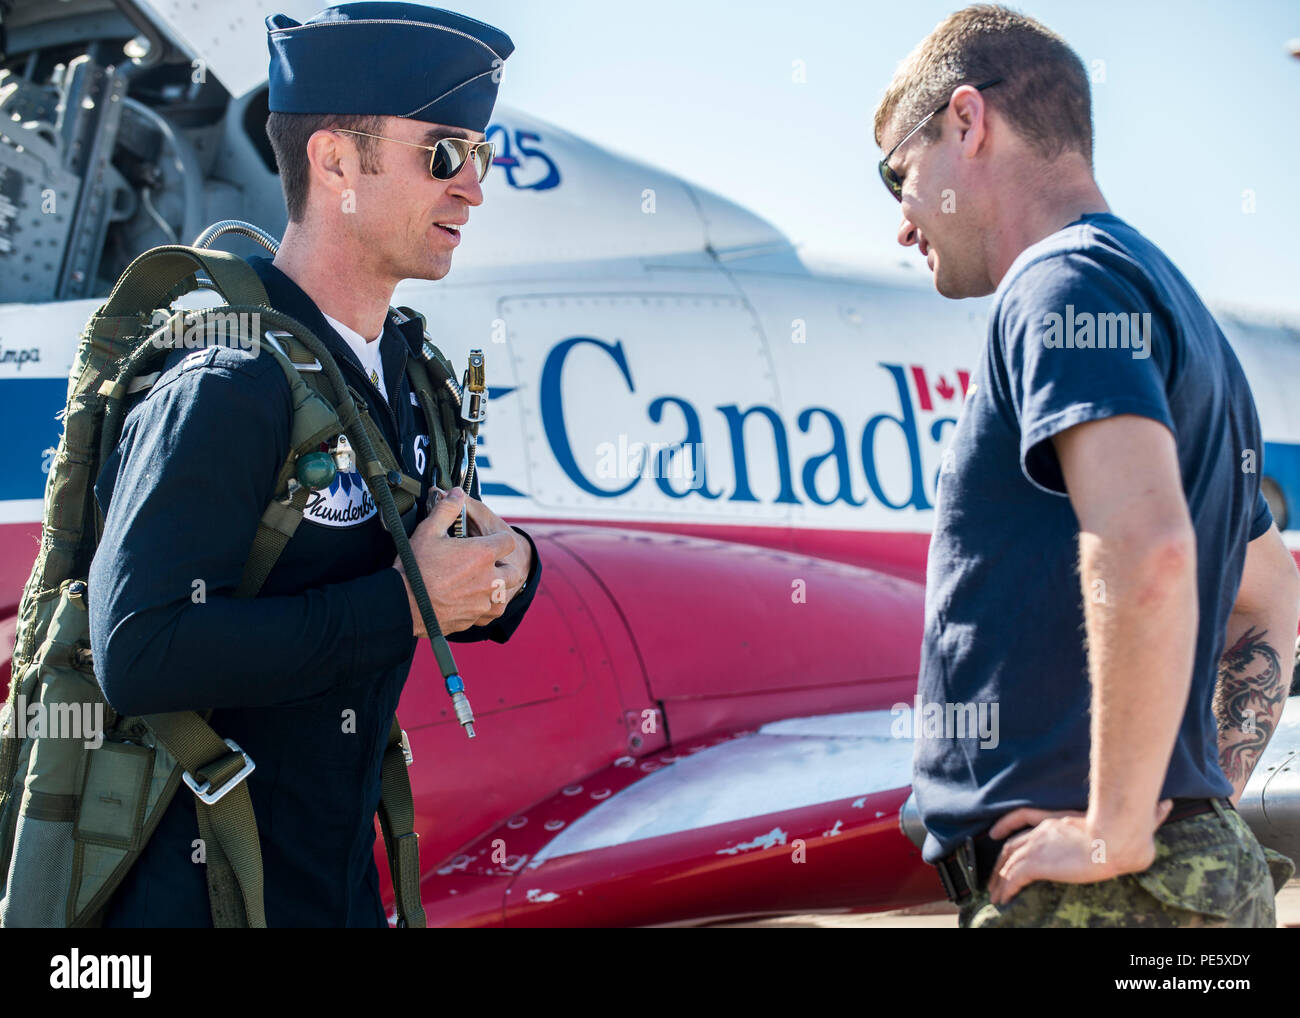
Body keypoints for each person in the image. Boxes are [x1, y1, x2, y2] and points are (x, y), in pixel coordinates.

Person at [89, 2, 538, 927]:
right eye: (444, 155)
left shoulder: (405, 377)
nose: (473, 188)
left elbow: (426, 578)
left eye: (479, 157)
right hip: (200, 903)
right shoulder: (228, 378)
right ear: (335, 162)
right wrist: (409, 607)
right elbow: (141, 653)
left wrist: (511, 571)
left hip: (331, 891)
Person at [873, 4, 1299, 927]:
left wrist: (1114, 828)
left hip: (1097, 889)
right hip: (1173, 876)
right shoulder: (1178, 316)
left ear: (966, 120)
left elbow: (1144, 546)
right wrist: (1195, 800)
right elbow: (1270, 596)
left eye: (896, 175)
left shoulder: (1058, 285)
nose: (902, 225)